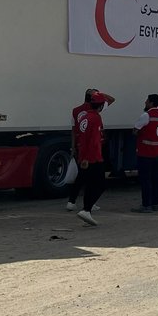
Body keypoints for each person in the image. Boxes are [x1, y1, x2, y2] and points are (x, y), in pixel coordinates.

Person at [67, 88, 114, 220]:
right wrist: (88, 157)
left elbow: (78, 134)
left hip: (83, 152)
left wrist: (80, 154)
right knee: (100, 184)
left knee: (85, 180)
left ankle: (82, 206)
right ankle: (87, 208)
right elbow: (94, 140)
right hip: (93, 156)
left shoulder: (82, 115)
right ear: (100, 105)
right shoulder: (96, 118)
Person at [132, 93, 158, 212]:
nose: (145, 102)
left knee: (145, 180)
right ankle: (155, 204)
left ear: (151, 102)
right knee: (155, 179)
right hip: (157, 152)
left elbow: (135, 131)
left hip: (145, 153)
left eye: (147, 100)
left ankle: (146, 205)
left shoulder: (146, 115)